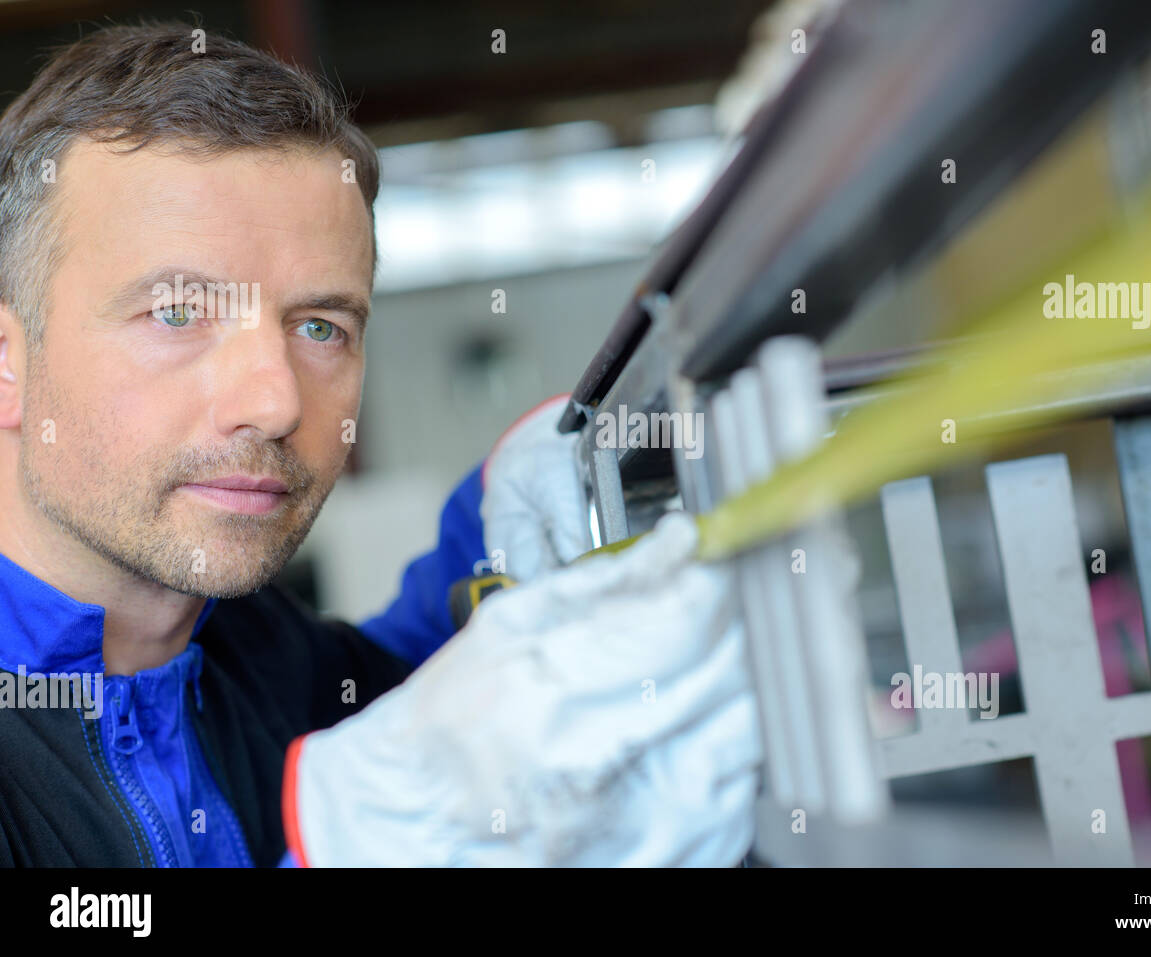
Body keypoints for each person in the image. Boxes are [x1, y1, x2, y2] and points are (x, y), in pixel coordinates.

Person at [0, 23, 759, 866]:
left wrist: (496, 530)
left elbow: (385, 699)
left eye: (321, 326)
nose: (277, 399)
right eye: (177, 312)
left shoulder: (239, 650)